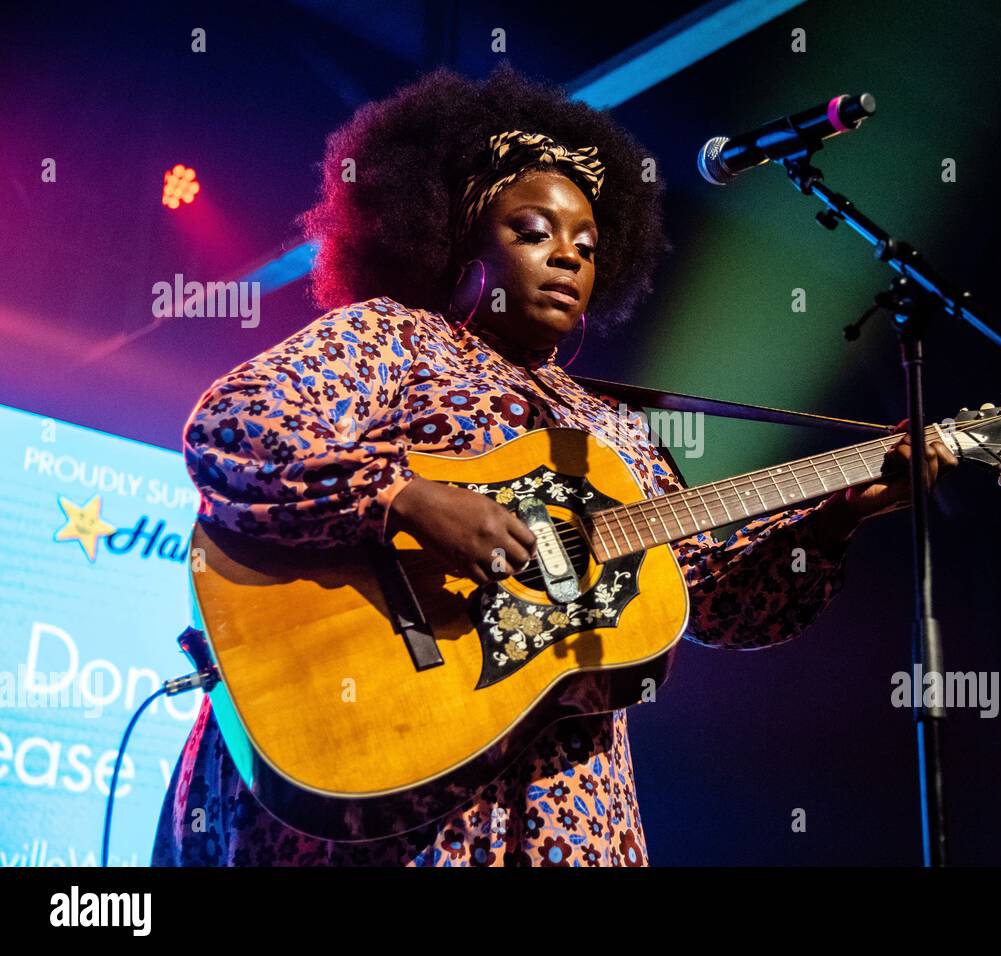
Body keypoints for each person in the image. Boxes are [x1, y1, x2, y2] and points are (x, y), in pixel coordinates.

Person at [152, 64, 953, 867]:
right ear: (459, 240)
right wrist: (403, 496)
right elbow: (238, 426)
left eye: (587, 246)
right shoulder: (395, 338)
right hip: (378, 771)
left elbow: (714, 602)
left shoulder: (613, 429)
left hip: (566, 807)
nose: (567, 258)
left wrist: (841, 510)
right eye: (534, 232)